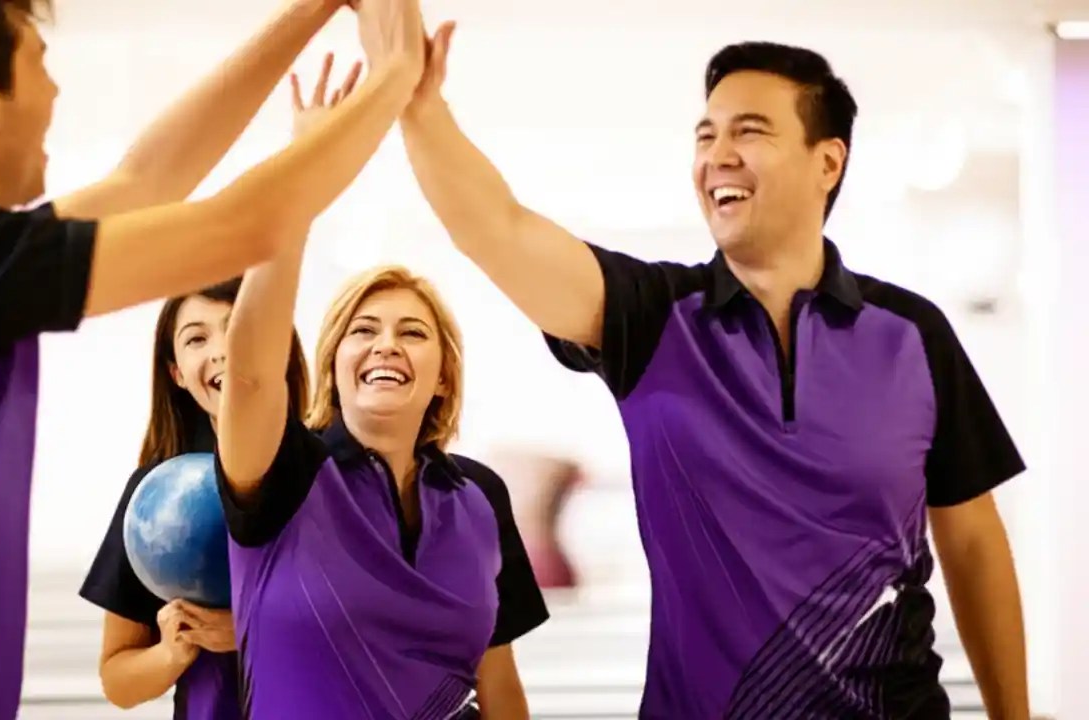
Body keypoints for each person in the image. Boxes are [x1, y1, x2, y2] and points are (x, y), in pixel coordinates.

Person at [0, 0, 428, 715]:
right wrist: (394, 75)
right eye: (37, 65)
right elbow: (247, 227)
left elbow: (146, 183)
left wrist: (315, 9)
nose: (55, 91)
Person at [400, 33, 1029, 719]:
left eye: (749, 131)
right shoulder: (649, 316)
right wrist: (420, 106)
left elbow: (971, 541)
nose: (716, 156)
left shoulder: (913, 334)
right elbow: (498, 229)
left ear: (828, 161)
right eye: (706, 136)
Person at [210, 59, 548, 717]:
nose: (387, 343)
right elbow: (249, 372)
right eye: (363, 331)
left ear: (444, 372)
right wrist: (304, 174)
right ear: (334, 362)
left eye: (412, 333)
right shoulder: (280, 469)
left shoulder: (479, 496)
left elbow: (500, 685)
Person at [79, 278, 310, 717]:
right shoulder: (157, 499)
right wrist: (172, 652)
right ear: (178, 373)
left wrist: (251, 629)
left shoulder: (334, 477)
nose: (223, 349)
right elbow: (118, 680)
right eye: (197, 338)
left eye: (238, 325)